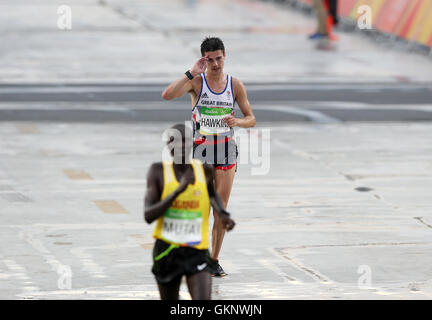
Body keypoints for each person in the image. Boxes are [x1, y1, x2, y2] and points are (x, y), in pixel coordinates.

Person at [161, 37, 256, 277]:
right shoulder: (196, 83)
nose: (215, 64)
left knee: (220, 211)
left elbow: (251, 118)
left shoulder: (235, 85)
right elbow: (167, 95)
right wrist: (191, 72)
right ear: (204, 59)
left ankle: (213, 259)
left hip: (225, 150)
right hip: (202, 152)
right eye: (210, 59)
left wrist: (238, 121)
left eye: (219, 59)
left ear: (225, 56)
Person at [144, 123, 235, 300]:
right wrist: (179, 190)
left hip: (197, 251)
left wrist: (222, 213)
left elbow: (212, 194)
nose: (182, 146)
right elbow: (149, 215)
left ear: (194, 144)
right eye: (177, 142)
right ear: (169, 146)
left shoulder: (204, 169)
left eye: (186, 141)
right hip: (167, 251)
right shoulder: (158, 172)